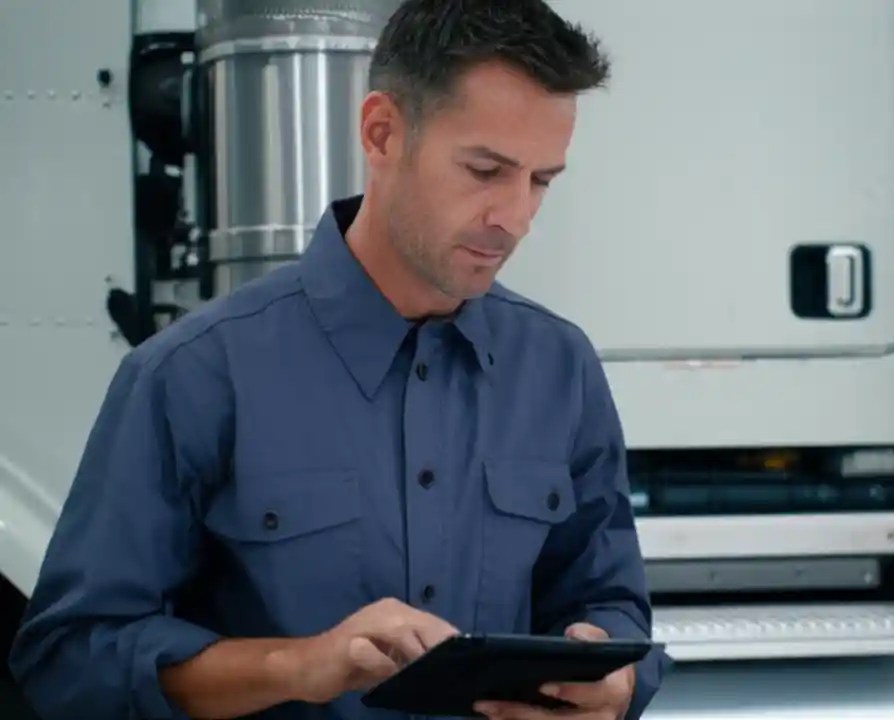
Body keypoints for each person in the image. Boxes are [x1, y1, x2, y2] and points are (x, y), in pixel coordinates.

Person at [8, 0, 670, 718]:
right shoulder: (192, 375)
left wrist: (617, 682)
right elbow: (69, 658)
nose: (516, 216)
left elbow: (606, 601)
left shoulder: (559, 368)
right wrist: (298, 664)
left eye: (541, 180)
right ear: (382, 132)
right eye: (485, 170)